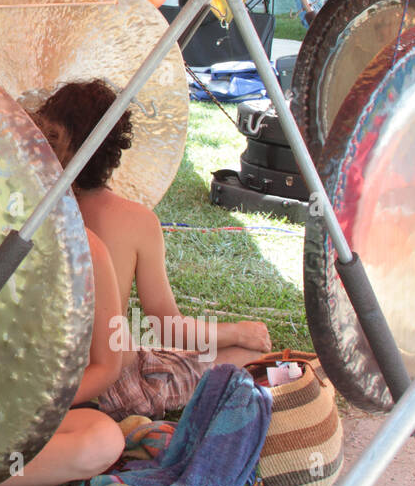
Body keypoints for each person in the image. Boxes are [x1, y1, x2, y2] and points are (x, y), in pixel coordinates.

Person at [32, 80, 271, 418]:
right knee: (244, 354)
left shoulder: (29, 212)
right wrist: (238, 331)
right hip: (119, 386)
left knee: (150, 346)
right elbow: (166, 326)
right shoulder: (136, 222)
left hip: (46, 379)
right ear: (117, 148)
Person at [0, 225, 125, 486]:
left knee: (103, 439)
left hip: (22, 414)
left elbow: (107, 366)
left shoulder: (88, 248)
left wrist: (34, 406)